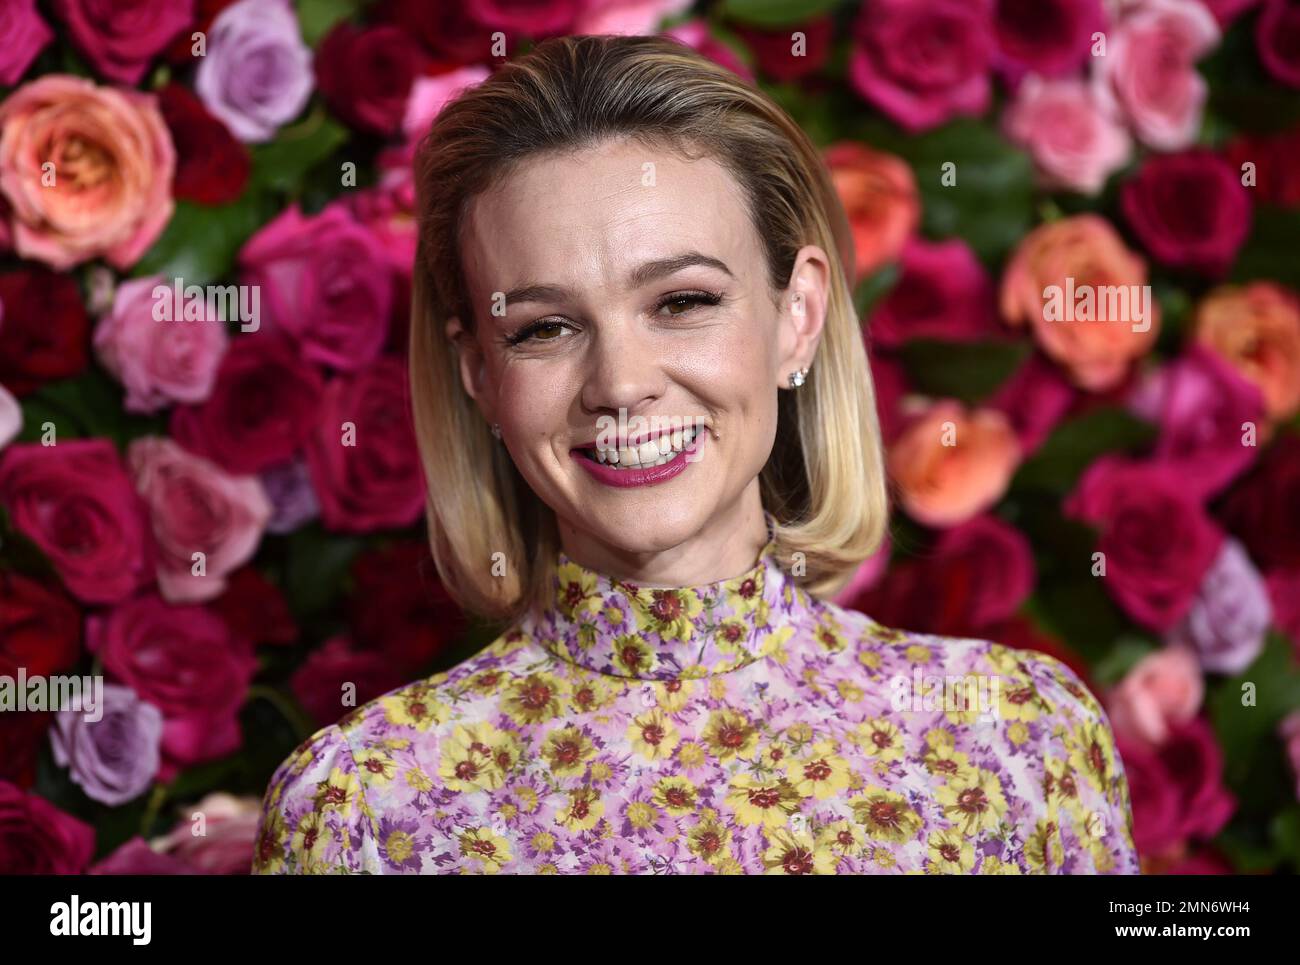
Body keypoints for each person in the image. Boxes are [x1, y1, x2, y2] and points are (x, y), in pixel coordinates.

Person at [251, 34, 1139, 875]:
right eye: (546, 327)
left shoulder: (1021, 737)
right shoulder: (362, 805)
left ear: (798, 317)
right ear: (479, 372)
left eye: (681, 301)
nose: (621, 383)